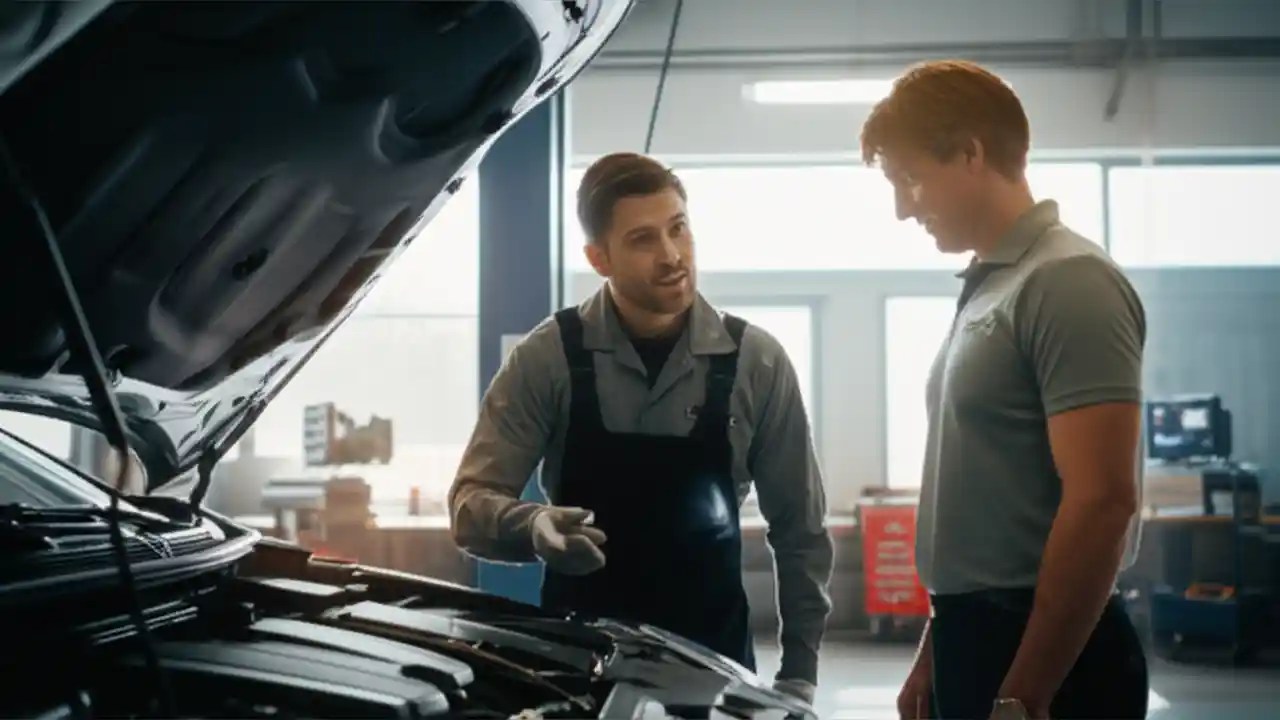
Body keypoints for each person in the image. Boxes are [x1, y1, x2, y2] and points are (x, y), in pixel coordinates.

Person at [448, 152, 834, 704]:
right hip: (576, 670)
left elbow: (801, 530)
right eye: (643, 239)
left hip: (715, 670)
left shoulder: (757, 362)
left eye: (679, 229)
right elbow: (468, 504)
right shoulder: (548, 357)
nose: (672, 255)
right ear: (599, 257)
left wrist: (800, 673)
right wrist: (531, 525)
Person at [859, 60, 1149, 720]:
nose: (904, 208)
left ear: (970, 153)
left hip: (1048, 651)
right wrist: (939, 644)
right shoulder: (993, 285)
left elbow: (1104, 501)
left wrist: (1025, 692)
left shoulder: (1069, 280)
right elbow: (989, 494)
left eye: (909, 179)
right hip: (977, 635)